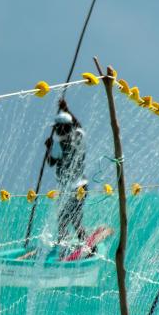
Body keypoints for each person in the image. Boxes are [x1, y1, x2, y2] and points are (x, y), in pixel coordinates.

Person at [44, 100, 88, 241]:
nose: (56, 130)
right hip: (82, 187)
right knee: (76, 219)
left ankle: (66, 247)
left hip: (68, 189)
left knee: (63, 221)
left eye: (57, 127)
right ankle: (80, 243)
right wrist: (67, 109)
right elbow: (78, 125)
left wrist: (48, 148)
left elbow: (51, 162)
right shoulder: (79, 137)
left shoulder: (58, 145)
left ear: (62, 128)